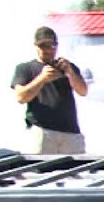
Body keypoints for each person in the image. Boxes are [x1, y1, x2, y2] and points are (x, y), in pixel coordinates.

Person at [11, 26, 89, 154]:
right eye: (43, 46)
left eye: (51, 46)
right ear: (36, 47)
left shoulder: (68, 67)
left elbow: (83, 91)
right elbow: (21, 97)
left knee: (76, 170)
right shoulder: (25, 68)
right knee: (42, 171)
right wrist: (42, 78)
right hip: (42, 131)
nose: (48, 50)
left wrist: (70, 72)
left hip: (70, 131)